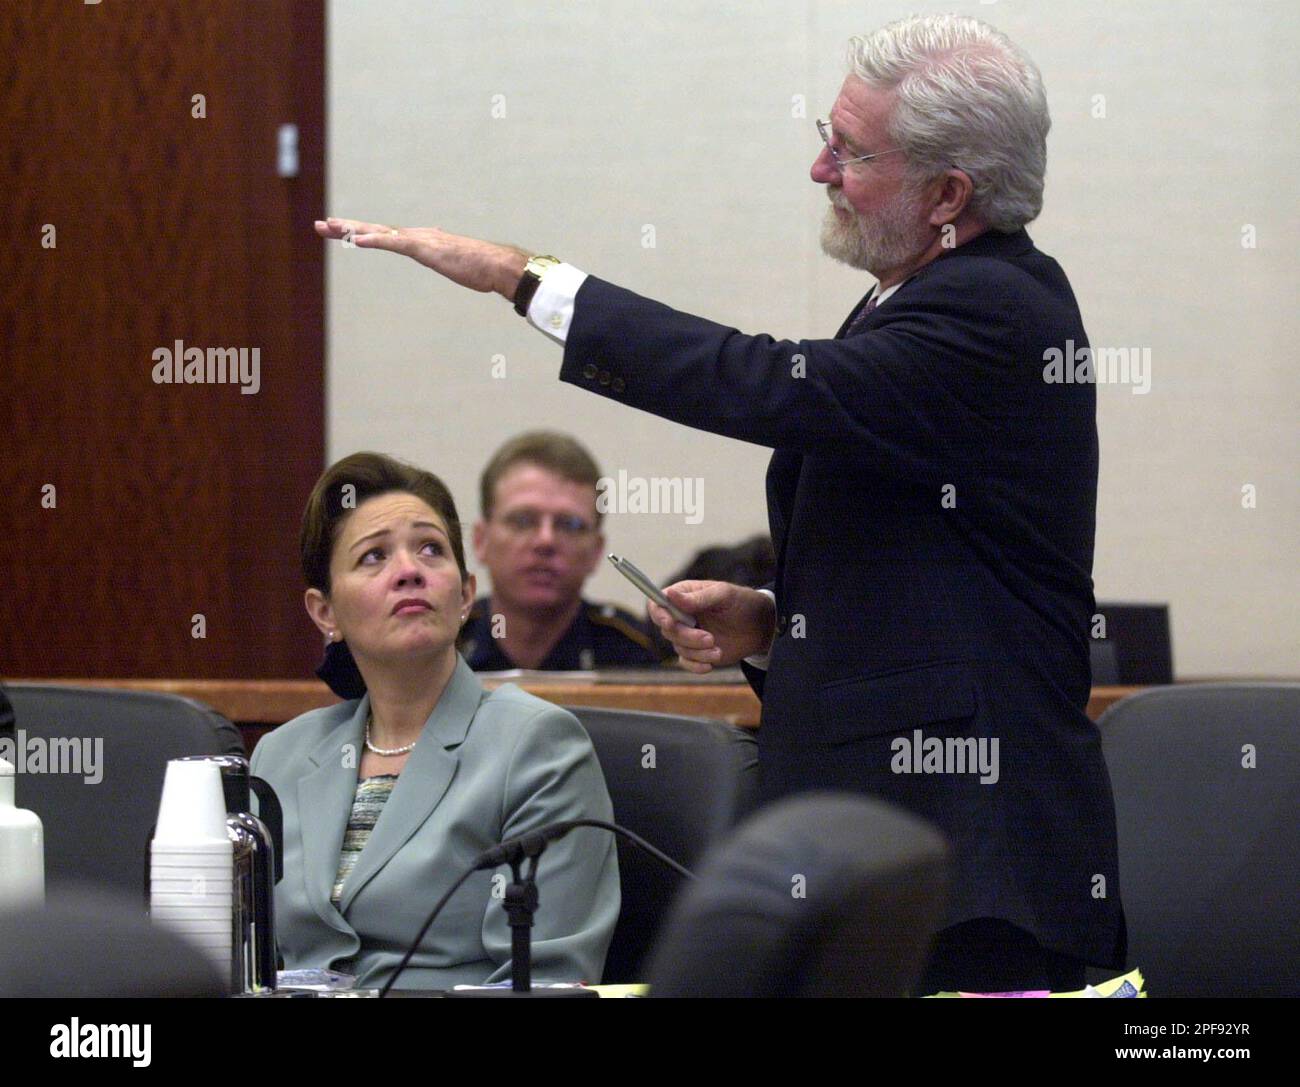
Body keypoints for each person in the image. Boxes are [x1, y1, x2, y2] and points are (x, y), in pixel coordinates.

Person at [313, 14, 1125, 993]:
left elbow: (754, 381)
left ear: (949, 195)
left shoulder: (992, 310)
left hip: (971, 863)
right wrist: (773, 627)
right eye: (824, 135)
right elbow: (930, 576)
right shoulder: (912, 298)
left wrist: (520, 279)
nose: (821, 169)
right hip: (891, 849)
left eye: (851, 150)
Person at [249, 452, 619, 989]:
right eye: (373, 556)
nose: (409, 571)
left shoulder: (537, 745)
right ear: (325, 612)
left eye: (430, 549)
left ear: (466, 593)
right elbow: (246, 958)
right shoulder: (281, 755)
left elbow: (544, 980)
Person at [460, 430, 668, 671]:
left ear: (596, 551)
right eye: (522, 521)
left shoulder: (636, 655)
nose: (545, 541)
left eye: (570, 525)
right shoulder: (443, 644)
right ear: (481, 540)